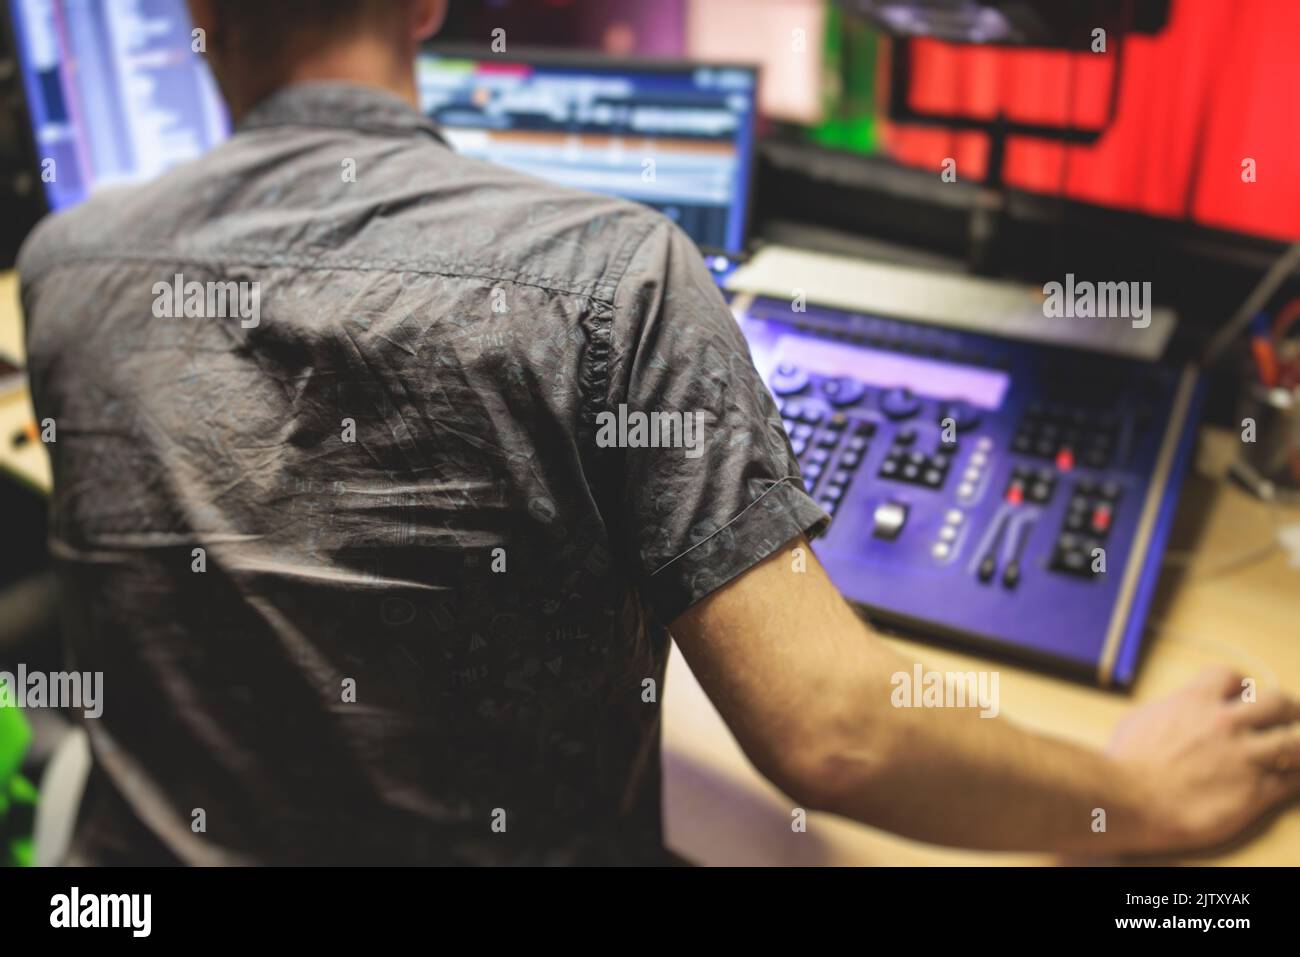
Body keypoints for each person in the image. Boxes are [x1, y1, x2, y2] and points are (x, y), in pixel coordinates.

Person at [16, 0, 1300, 865]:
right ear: (424, 4)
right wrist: (1130, 796)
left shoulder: (66, 264)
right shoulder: (612, 273)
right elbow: (835, 732)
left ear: (192, 15)